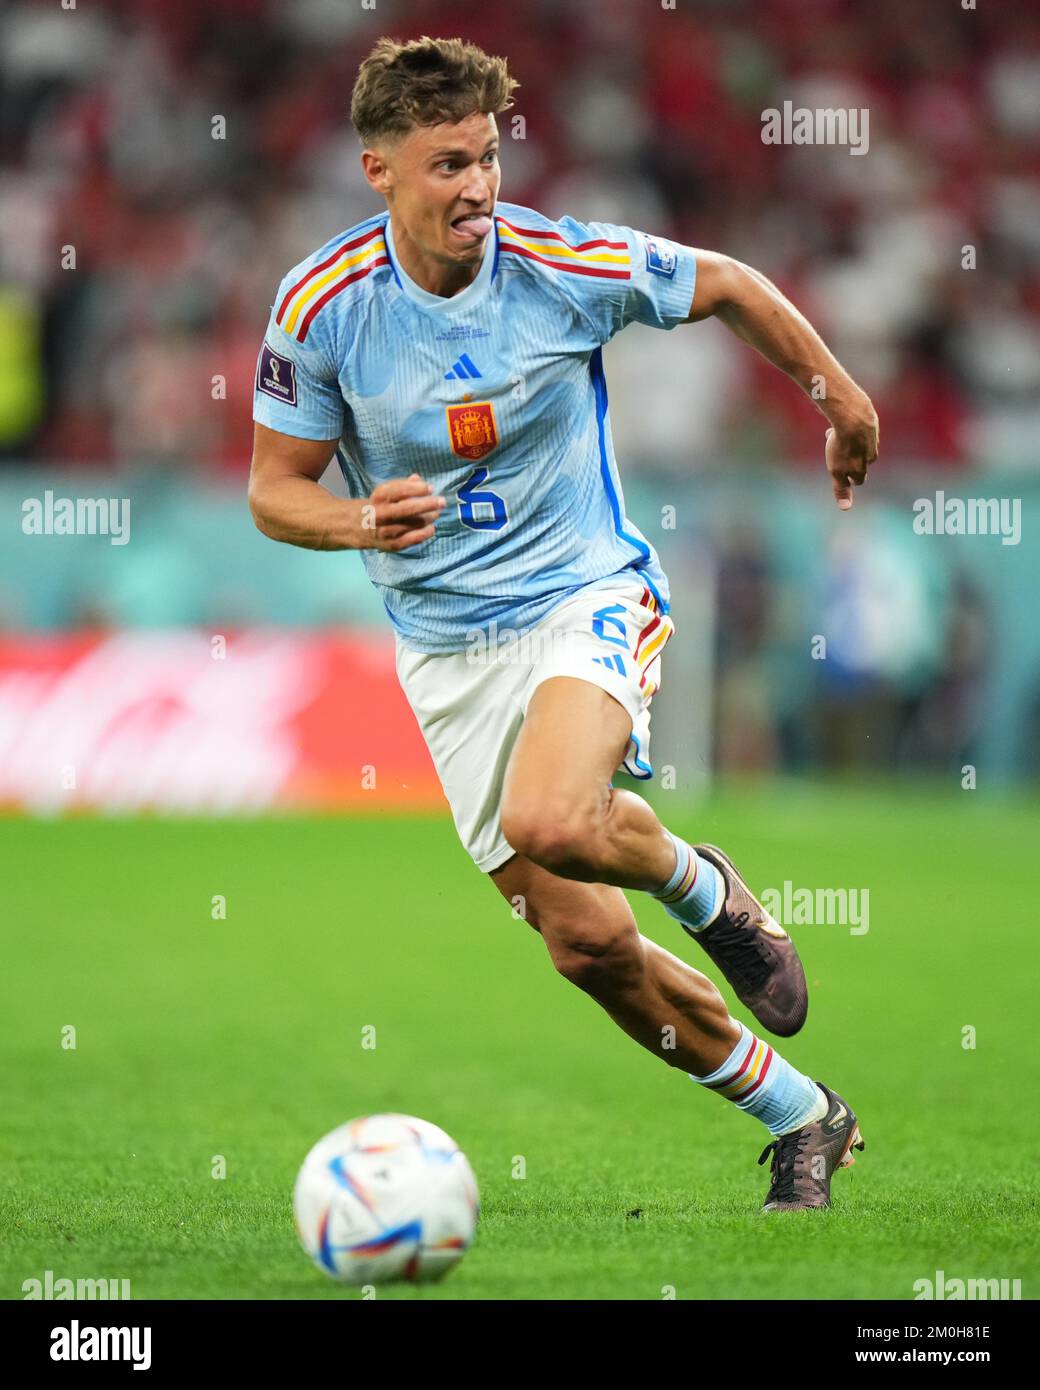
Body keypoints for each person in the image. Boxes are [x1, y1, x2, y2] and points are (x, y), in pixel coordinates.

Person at [248, 35, 878, 1210]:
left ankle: (707, 891)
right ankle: (802, 1114)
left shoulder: (556, 262)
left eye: (486, 158)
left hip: (585, 590)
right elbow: (274, 492)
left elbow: (729, 283)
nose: (478, 189)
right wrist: (357, 524)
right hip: (445, 645)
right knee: (585, 948)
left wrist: (835, 396)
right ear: (376, 170)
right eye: (446, 165)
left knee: (555, 812)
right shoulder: (321, 308)